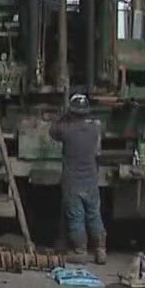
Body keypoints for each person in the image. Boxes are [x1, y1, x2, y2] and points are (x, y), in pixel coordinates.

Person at [51, 92, 105, 264]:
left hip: (73, 182)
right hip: (91, 180)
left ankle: (80, 251)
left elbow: (53, 130)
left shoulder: (66, 130)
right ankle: (100, 250)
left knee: (76, 216)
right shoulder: (94, 130)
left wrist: (63, 114)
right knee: (94, 214)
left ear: (71, 111)